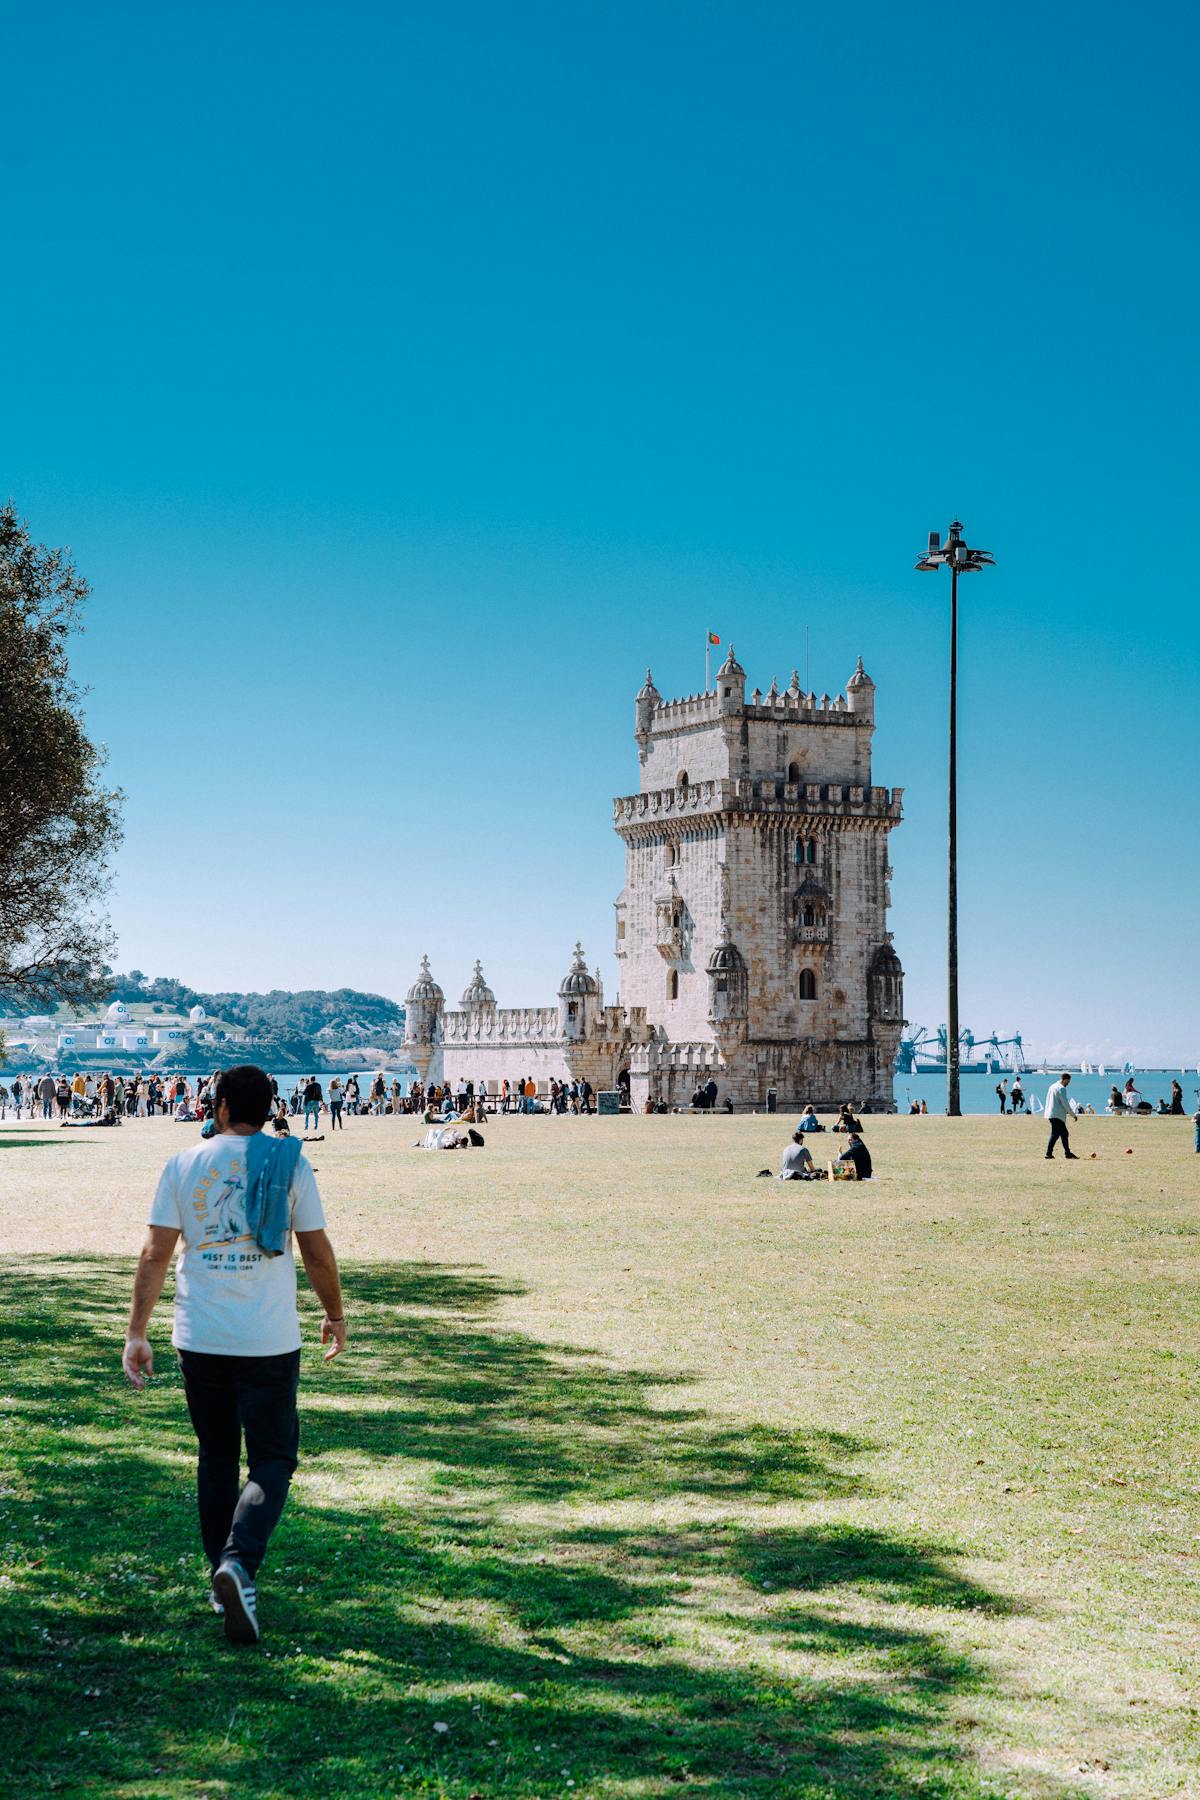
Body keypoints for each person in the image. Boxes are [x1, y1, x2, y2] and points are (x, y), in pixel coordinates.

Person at [121, 1064, 346, 1647]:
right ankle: (239, 1564)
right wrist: (336, 1314)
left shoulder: (183, 1164)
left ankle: (223, 1575)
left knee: (216, 1457)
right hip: (267, 1338)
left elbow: (154, 1254)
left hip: (200, 1336)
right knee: (272, 1458)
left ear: (218, 1107)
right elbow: (316, 1253)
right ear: (271, 1109)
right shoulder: (290, 1161)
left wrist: (136, 1332)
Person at [1044, 1073, 1078, 1159]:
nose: (1068, 1084)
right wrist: (1073, 1115)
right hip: (1057, 1115)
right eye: (1068, 1081)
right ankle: (1048, 1153)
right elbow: (1065, 1103)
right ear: (1065, 1079)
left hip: (1051, 1113)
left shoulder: (1052, 1086)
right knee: (1055, 1134)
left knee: (1064, 1134)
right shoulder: (1061, 1088)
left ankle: (1067, 1153)